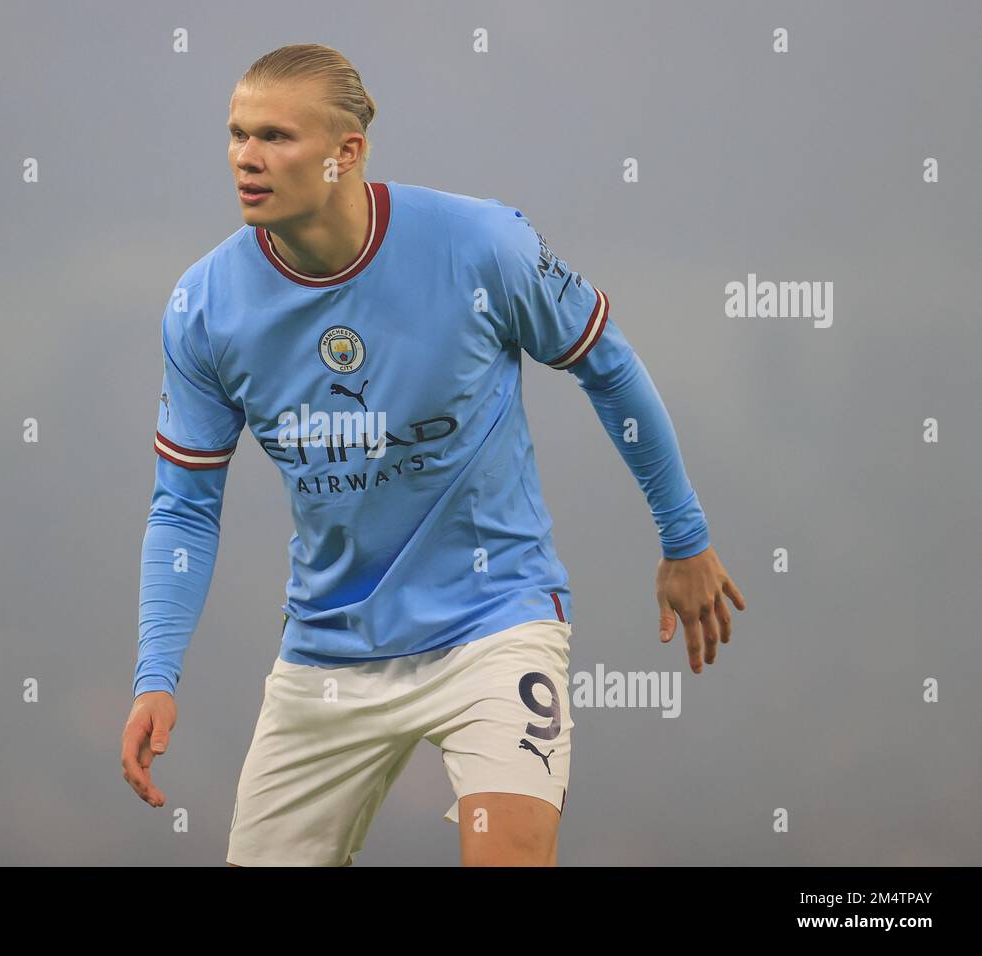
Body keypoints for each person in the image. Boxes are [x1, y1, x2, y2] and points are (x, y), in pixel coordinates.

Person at [121, 43, 746, 867]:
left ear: (348, 153)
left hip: (493, 623)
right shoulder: (205, 305)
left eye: (275, 136)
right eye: (237, 134)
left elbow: (609, 366)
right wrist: (155, 672)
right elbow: (184, 505)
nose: (246, 156)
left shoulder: (481, 243)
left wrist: (684, 536)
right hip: (329, 651)